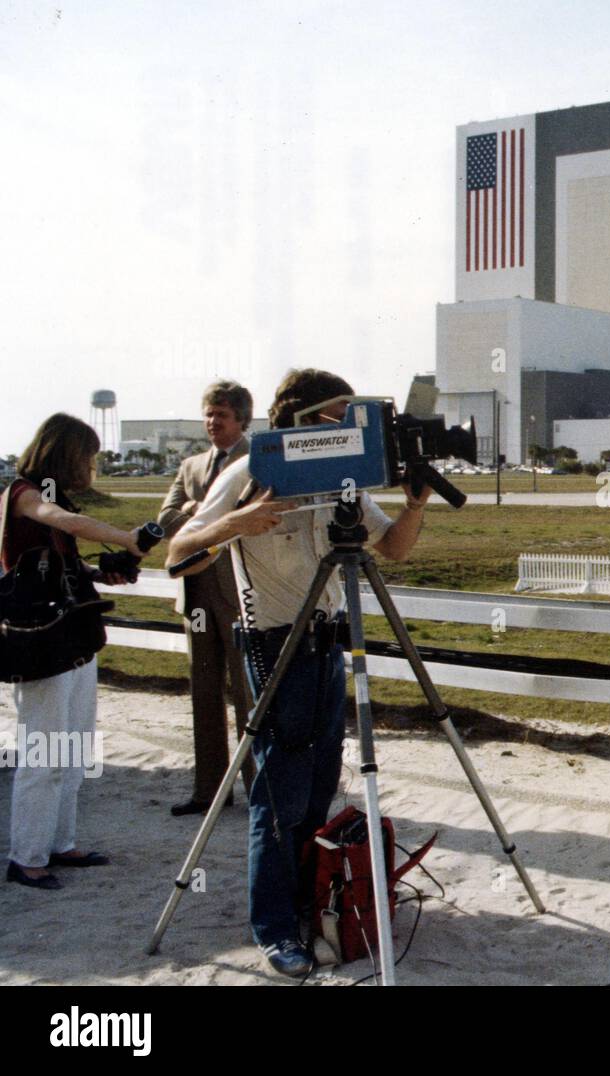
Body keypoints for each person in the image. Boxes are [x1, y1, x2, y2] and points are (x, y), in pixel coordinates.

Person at [166, 369, 432, 977]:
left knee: (319, 785)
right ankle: (276, 927)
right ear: (302, 420)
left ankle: (316, 903)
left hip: (325, 646)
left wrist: (415, 503)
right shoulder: (249, 472)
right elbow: (179, 553)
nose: (344, 428)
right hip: (272, 645)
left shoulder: (343, 481)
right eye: (333, 416)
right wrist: (238, 522)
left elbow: (391, 548)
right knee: (279, 794)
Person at [3, 414, 143, 890]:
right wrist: (125, 537)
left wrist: (103, 573)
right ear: (65, 452)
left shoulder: (51, 494)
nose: (92, 465)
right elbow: (62, 522)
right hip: (41, 641)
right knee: (43, 749)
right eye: (88, 455)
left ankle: (59, 842)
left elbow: (61, 561)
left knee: (74, 744)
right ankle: (26, 856)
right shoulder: (25, 494)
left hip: (71, 636)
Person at [158, 381, 257, 816]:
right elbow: (164, 518)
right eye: (208, 414)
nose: (212, 422)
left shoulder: (258, 462)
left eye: (221, 414)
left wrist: (198, 517)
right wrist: (204, 515)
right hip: (195, 593)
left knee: (249, 694)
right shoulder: (191, 465)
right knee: (204, 691)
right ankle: (209, 791)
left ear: (241, 419)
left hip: (239, 594)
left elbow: (252, 517)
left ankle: (259, 789)